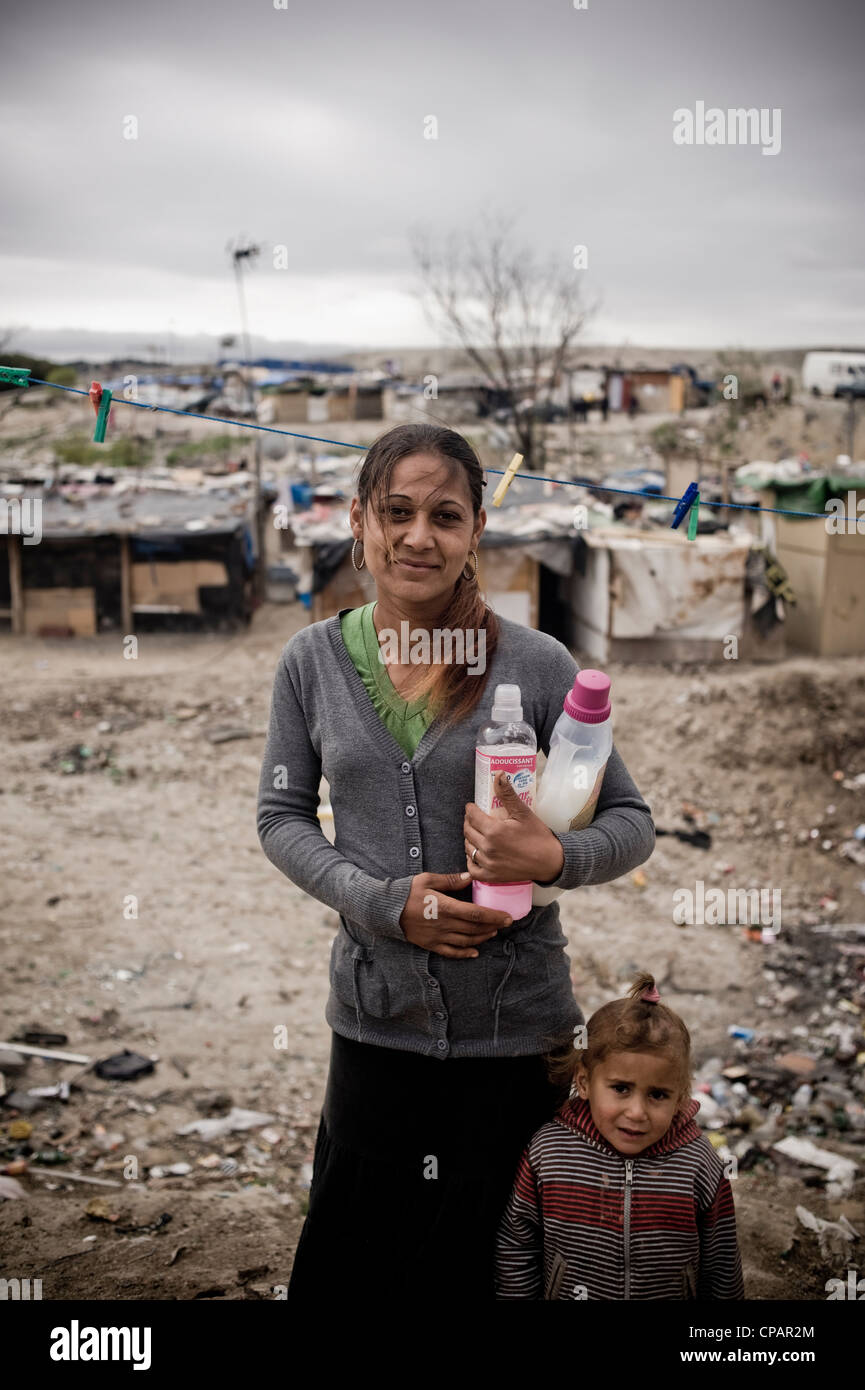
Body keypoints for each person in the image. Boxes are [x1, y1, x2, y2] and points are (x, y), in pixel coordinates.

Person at [256, 422, 656, 1299]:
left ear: (477, 530)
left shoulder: (538, 664)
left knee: (498, 1270)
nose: (417, 536)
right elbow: (281, 817)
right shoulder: (311, 663)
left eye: (445, 515)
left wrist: (552, 854)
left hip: (516, 1039)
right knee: (358, 1267)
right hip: (376, 1022)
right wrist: (380, 903)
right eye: (395, 512)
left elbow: (631, 821)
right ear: (359, 520)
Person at [495, 972, 745, 1300]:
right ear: (584, 1082)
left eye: (657, 1095)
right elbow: (518, 1245)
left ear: (681, 1095)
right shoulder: (550, 1152)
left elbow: (722, 1261)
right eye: (621, 1089)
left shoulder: (698, 1162)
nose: (637, 1112)